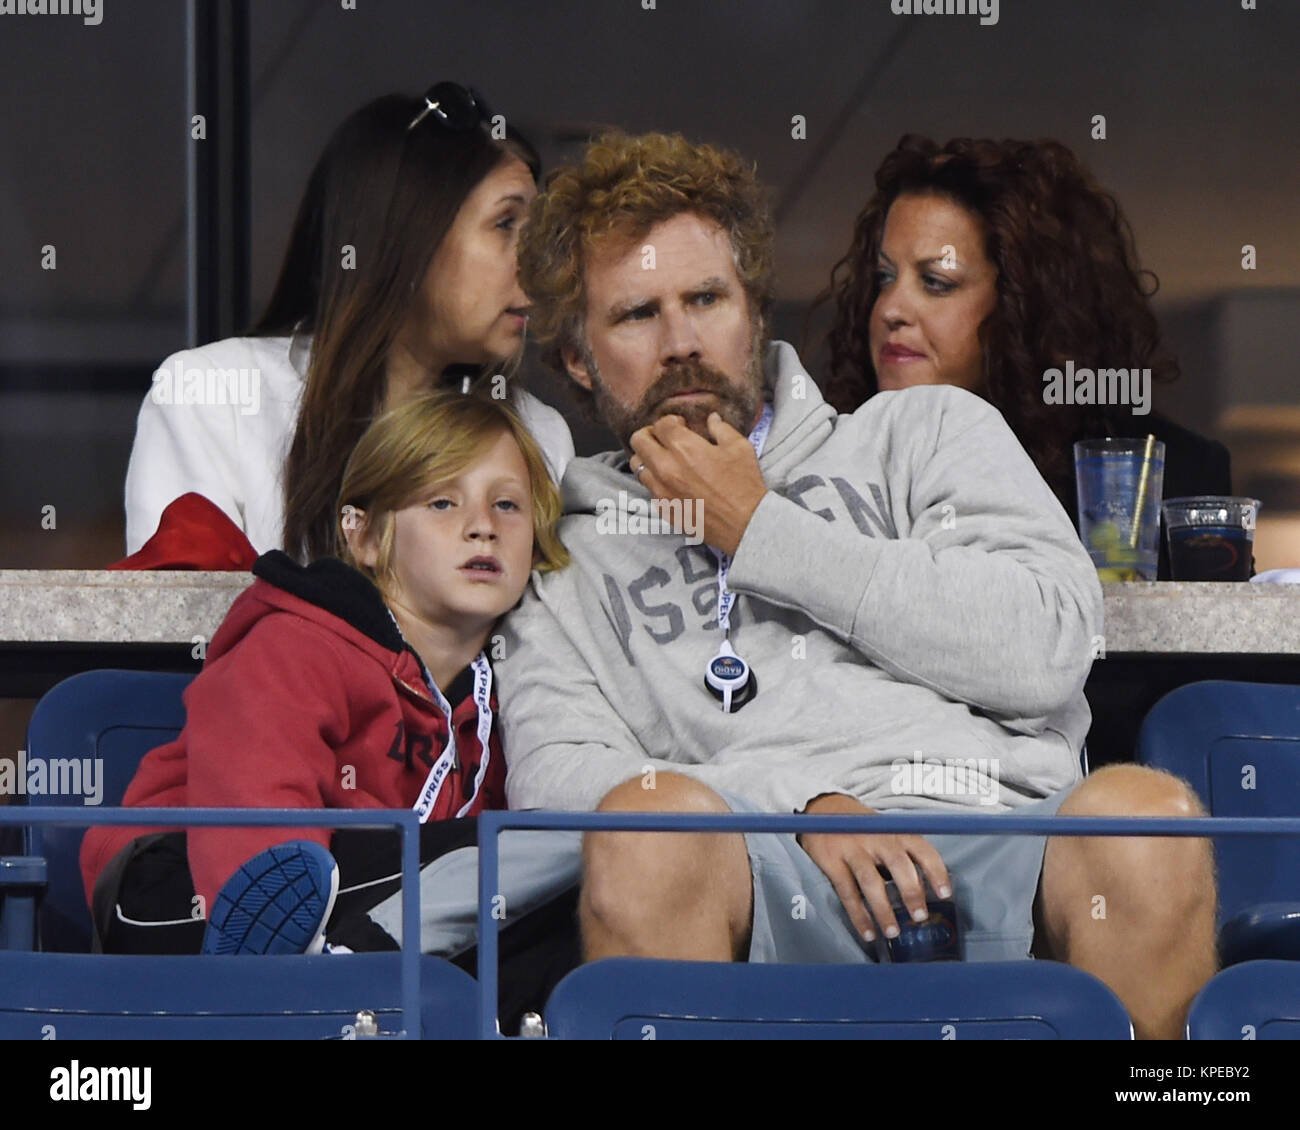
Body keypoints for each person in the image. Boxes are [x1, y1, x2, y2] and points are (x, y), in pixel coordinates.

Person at [499, 129, 1218, 1039]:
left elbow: (1046, 645)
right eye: (637, 315)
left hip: (996, 832)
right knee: (646, 830)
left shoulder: (924, 430)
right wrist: (803, 807)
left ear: (754, 313)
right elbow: (560, 783)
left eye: (707, 298)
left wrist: (764, 532)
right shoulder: (563, 550)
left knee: (1146, 816)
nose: (682, 342)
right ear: (577, 360)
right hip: (751, 864)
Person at [83, 391, 579, 1021]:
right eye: (443, 501)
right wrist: (269, 931)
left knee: (564, 902)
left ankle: (352, 971)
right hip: (180, 894)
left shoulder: (517, 686)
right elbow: (255, 791)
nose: (483, 524)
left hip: (382, 904)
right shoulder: (302, 636)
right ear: (366, 536)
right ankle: (307, 986)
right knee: (524, 849)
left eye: (506, 505)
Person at [124, 83, 574, 562]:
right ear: (405, 236)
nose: (536, 262)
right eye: (506, 224)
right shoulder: (211, 396)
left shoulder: (540, 434)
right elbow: (182, 626)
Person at [819, 134, 1235, 580]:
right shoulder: (830, 464)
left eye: (936, 281)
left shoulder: (1148, 473)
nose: (890, 309)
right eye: (884, 277)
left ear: (1024, 306)